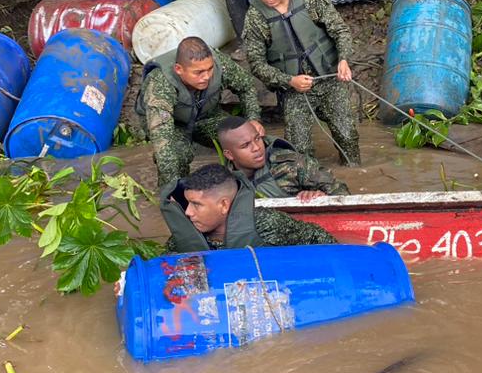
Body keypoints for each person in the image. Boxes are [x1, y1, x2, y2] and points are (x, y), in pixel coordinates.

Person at [242, 0, 361, 166]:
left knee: (347, 135)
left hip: (330, 79)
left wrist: (343, 59)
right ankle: (309, 188)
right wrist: (289, 81)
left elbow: (340, 31)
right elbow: (257, 65)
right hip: (294, 89)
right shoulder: (255, 17)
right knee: (299, 149)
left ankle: (354, 174)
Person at [136, 36, 263, 188]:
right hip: (173, 125)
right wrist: (173, 190)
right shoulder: (160, 83)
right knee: (178, 154)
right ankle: (174, 197)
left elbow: (246, 86)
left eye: (209, 70)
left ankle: (247, 183)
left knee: (242, 138)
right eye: (199, 72)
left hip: (206, 116)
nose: (207, 77)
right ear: (179, 69)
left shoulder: (219, 63)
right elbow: (163, 142)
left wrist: (253, 118)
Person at [159, 163, 337, 252]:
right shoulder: (179, 241)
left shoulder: (268, 224)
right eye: (188, 203)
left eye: (197, 205)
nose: (188, 212)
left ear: (224, 205)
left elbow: (323, 240)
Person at [217, 115, 350, 202]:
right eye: (245, 145)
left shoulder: (291, 164)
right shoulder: (222, 181)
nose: (257, 148)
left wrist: (320, 197)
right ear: (229, 154)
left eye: (257, 139)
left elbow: (342, 193)